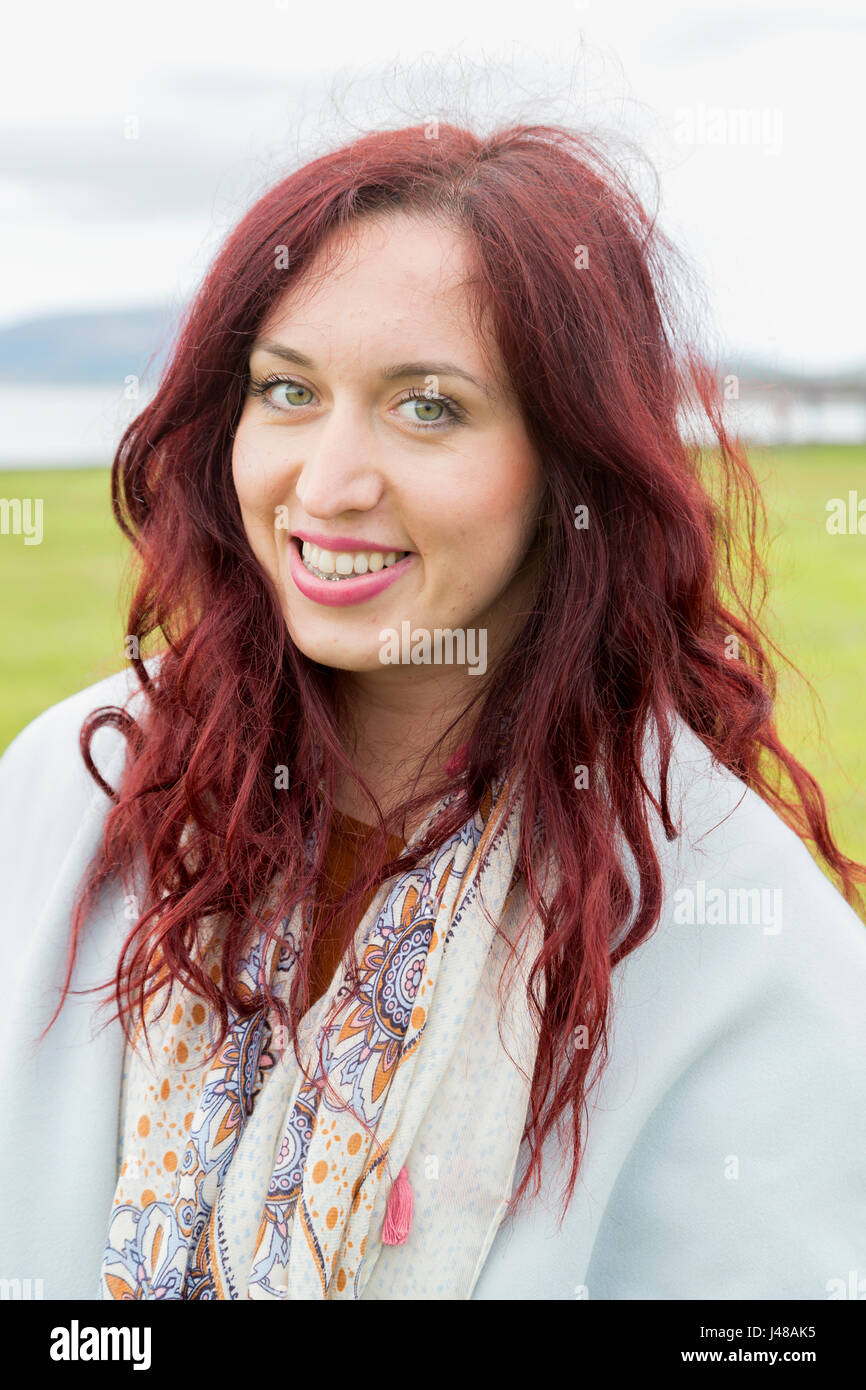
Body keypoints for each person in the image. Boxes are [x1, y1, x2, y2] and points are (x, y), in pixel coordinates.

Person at [1, 121, 864, 1302]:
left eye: (428, 408)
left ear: (570, 464)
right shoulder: (73, 788)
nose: (330, 482)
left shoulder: (735, 938)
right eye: (288, 390)